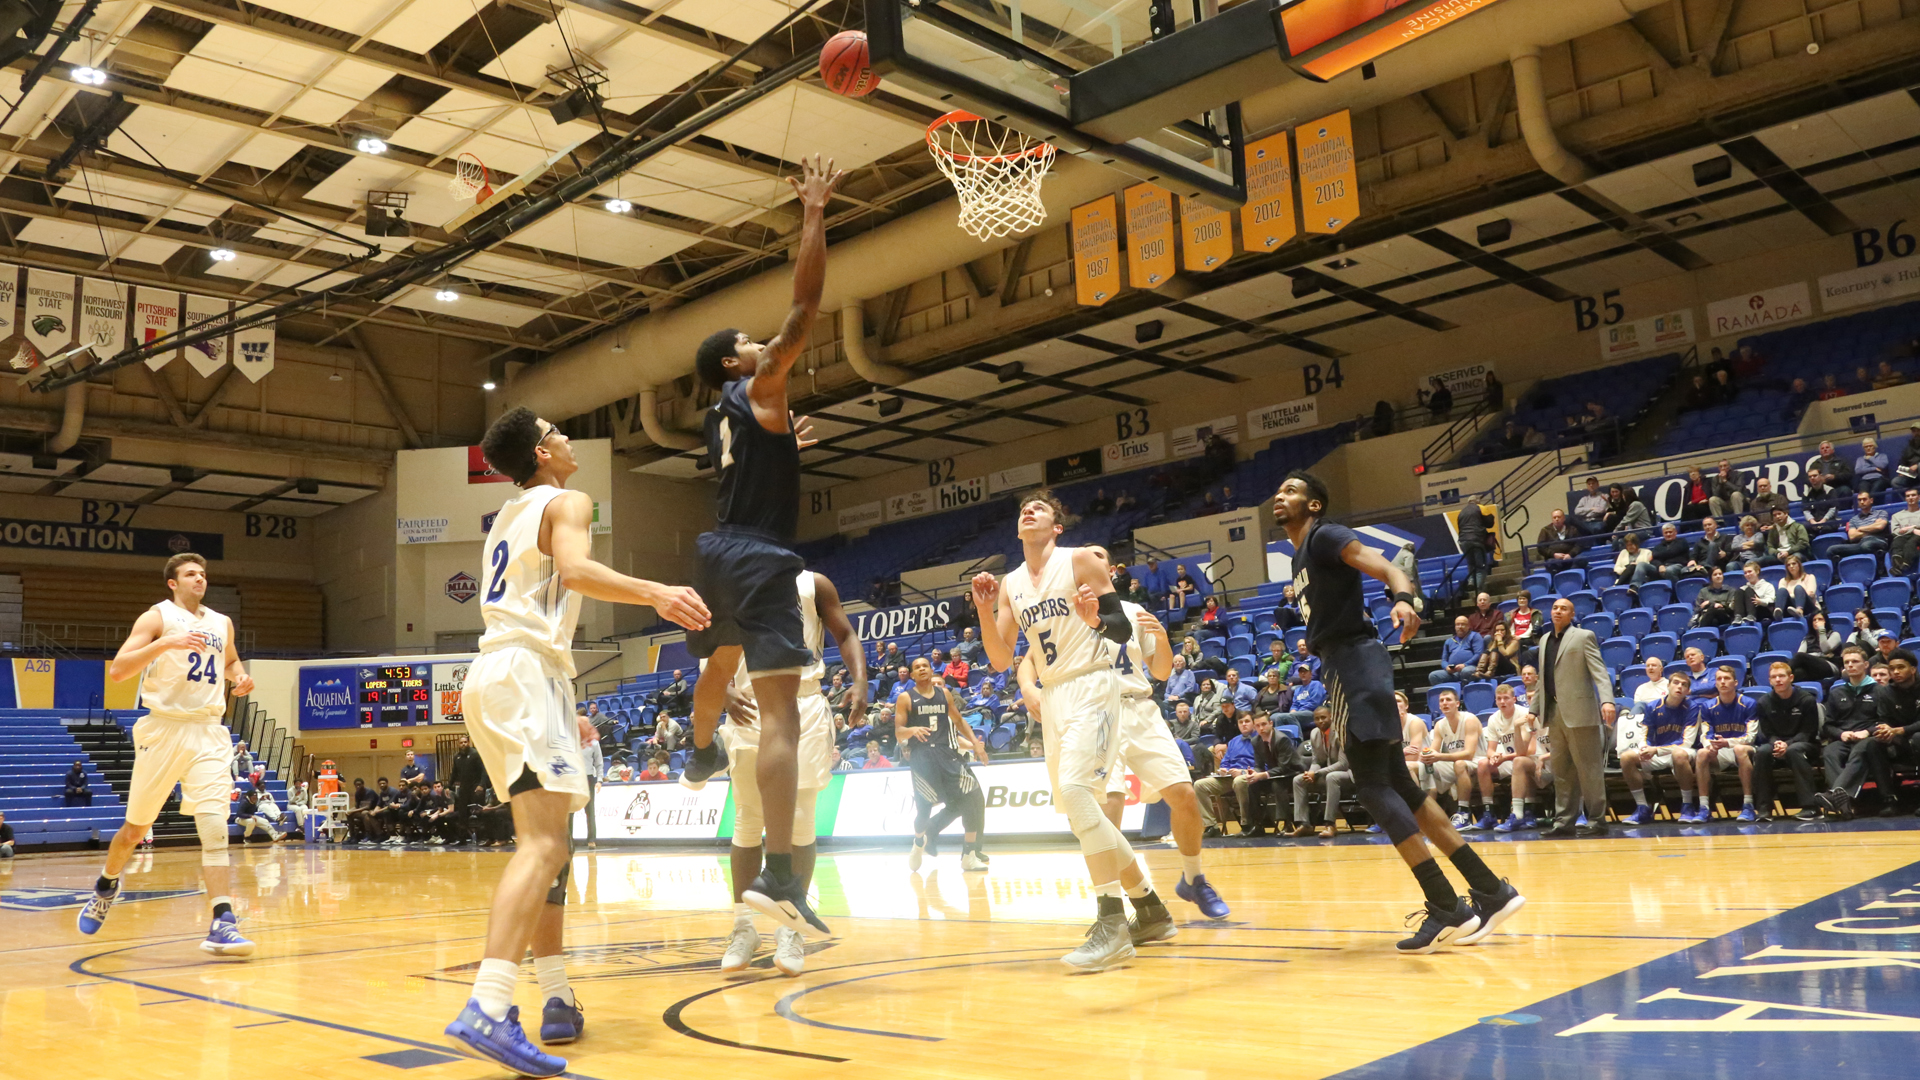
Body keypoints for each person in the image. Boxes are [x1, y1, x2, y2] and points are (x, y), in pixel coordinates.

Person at [442, 406, 709, 1077]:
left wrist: (565, 701)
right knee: (543, 844)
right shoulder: (569, 499)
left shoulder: (507, 516)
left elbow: (544, 598)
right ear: (541, 449)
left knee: (548, 841)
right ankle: (490, 1004)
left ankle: (553, 994)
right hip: (521, 674)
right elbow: (578, 571)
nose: (566, 436)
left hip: (514, 675)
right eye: (555, 429)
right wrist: (656, 592)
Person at [679, 156, 842, 942]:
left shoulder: (725, 416)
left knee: (718, 668)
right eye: (746, 344)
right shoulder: (756, 383)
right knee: (780, 712)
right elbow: (805, 307)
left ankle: (700, 751)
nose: (757, 346)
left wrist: (787, 446)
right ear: (731, 365)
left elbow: (756, 458)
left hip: (716, 551)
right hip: (760, 553)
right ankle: (779, 872)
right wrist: (813, 212)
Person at [1272, 471, 1522, 952]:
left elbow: (1387, 567)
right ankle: (1490, 890)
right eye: (1279, 491)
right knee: (1401, 787)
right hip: (1354, 664)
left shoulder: (1326, 535)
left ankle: (1447, 905)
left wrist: (1404, 598)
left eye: (1291, 491)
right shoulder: (1299, 556)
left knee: (1369, 787)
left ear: (1315, 504)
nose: (1280, 496)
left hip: (1352, 662)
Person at [972, 491, 1170, 972]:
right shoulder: (1011, 583)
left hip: (1094, 685)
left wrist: (1096, 619)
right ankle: (1149, 907)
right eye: (1025, 508)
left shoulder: (1080, 560)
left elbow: (1122, 631)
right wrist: (982, 608)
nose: (1029, 510)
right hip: (1055, 695)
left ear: (1056, 526)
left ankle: (1112, 921)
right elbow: (1000, 659)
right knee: (1081, 810)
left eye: (1040, 508)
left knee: (1080, 794)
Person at [80, 553, 257, 957]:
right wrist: (167, 642)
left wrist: (239, 677)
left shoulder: (220, 622)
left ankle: (222, 921)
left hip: (210, 731)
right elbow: (119, 671)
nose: (201, 579)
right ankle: (107, 885)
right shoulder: (156, 618)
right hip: (163, 728)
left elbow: (229, 660)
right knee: (134, 831)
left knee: (214, 827)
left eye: (203, 574)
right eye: (191, 574)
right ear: (172, 583)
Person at [722, 569, 865, 978]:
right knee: (748, 819)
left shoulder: (815, 583)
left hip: (804, 703)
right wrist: (722, 686)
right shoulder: (731, 579)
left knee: (801, 819)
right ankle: (743, 927)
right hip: (750, 705)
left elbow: (846, 634)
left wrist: (860, 678)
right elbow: (709, 642)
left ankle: (791, 928)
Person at [1075, 545, 1231, 920]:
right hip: (1095, 713)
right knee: (1109, 810)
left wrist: (1161, 640)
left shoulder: (1134, 613)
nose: (1091, 560)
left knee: (1185, 795)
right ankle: (1119, 908)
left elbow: (1161, 673)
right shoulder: (1065, 614)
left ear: (1110, 570)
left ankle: (1193, 879)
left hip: (1139, 708)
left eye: (1100, 557)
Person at [898, 656, 990, 871]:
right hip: (922, 758)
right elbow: (898, 731)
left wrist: (976, 744)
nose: (922, 669)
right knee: (923, 811)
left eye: (925, 666)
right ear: (911, 675)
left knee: (972, 796)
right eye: (917, 667)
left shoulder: (944, 694)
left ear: (932, 670)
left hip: (946, 755)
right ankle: (919, 840)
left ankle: (969, 853)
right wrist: (911, 730)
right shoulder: (905, 697)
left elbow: (958, 721)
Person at [1535, 597, 1615, 837]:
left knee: (1589, 770)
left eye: (1564, 609)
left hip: (1581, 713)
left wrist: (1608, 700)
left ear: (1572, 615)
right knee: (1562, 772)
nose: (1558, 611)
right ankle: (1564, 822)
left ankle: (1597, 820)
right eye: (1555, 608)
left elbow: (1599, 671)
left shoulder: (1583, 636)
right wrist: (1532, 709)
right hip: (1554, 713)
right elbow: (1542, 678)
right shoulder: (1544, 639)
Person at [1618, 670, 1700, 823]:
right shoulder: (1653, 707)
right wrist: (1644, 748)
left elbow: (1686, 743)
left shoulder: (1692, 707)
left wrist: (1655, 750)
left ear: (1688, 691)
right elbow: (1645, 734)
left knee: (1679, 754)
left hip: (1684, 752)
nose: (1679, 687)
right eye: (1675, 683)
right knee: (1626, 757)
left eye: (1684, 685)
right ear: (1668, 686)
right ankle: (1642, 807)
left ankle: (1687, 805)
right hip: (1658, 751)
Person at [1749, 661, 1822, 821]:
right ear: (1769, 681)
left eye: (1781, 676)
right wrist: (1777, 743)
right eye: (1774, 677)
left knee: (1794, 750)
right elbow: (1767, 733)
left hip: (1806, 743)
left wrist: (1787, 744)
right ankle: (1764, 808)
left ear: (1791, 678)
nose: (1778, 680)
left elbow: (1809, 732)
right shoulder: (1763, 702)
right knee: (1761, 752)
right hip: (1776, 743)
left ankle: (1811, 807)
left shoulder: (1806, 699)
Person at [1691, 665, 1758, 822]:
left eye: (1726, 678)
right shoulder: (1708, 706)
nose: (1722, 682)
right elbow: (1705, 734)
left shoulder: (1749, 704)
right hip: (1719, 750)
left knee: (1741, 749)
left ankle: (1748, 805)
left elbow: (1751, 736)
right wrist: (1710, 746)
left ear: (1735, 682)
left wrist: (1727, 743)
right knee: (1701, 753)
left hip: (1743, 749)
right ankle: (1704, 807)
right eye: (1719, 679)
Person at [1290, 707, 1349, 838]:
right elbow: (1316, 761)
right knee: (1299, 780)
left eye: (1323, 717)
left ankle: (1330, 824)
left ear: (1331, 717)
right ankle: (1304, 824)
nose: (1320, 721)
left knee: (1332, 777)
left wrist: (1316, 774)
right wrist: (1310, 773)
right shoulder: (1314, 734)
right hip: (1327, 774)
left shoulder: (1341, 732)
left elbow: (1343, 764)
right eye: (1317, 718)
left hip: (1348, 774)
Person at [1828, 490, 1890, 567]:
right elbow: (1852, 536)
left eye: (1864, 499)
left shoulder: (1881, 513)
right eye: (1859, 500)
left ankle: (1880, 568)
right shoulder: (1854, 519)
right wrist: (1873, 529)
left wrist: (1860, 528)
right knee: (1831, 550)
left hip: (1877, 540)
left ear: (1871, 500)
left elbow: (1879, 527)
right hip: (1858, 544)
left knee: (1866, 545)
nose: (1862, 502)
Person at [1429, 616, 1483, 686]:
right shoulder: (1449, 641)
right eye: (1458, 624)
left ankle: (1465, 693)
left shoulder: (1475, 636)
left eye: (1463, 624)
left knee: (1466, 671)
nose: (1460, 627)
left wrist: (1465, 665)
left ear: (1468, 626)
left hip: (1470, 668)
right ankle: (1448, 695)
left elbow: (1478, 654)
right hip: (1453, 672)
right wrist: (1446, 667)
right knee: (1433, 676)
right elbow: (1444, 660)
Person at [1455, 501, 1492, 596]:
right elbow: (1489, 523)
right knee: (1480, 566)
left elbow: (1459, 527)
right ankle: (1479, 590)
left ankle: (1471, 581)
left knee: (1471, 564)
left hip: (1463, 541)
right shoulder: (1480, 507)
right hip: (1476, 540)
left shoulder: (1461, 512)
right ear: (1477, 502)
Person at [1776, 553, 1818, 619]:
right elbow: (1782, 597)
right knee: (1782, 590)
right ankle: (1779, 613)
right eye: (1788, 565)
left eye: (1794, 563)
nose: (1791, 566)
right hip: (1790, 608)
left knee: (1798, 588)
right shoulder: (1783, 581)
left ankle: (1799, 611)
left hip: (1808, 607)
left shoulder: (1809, 577)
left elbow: (1810, 594)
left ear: (1799, 565)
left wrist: (1793, 596)